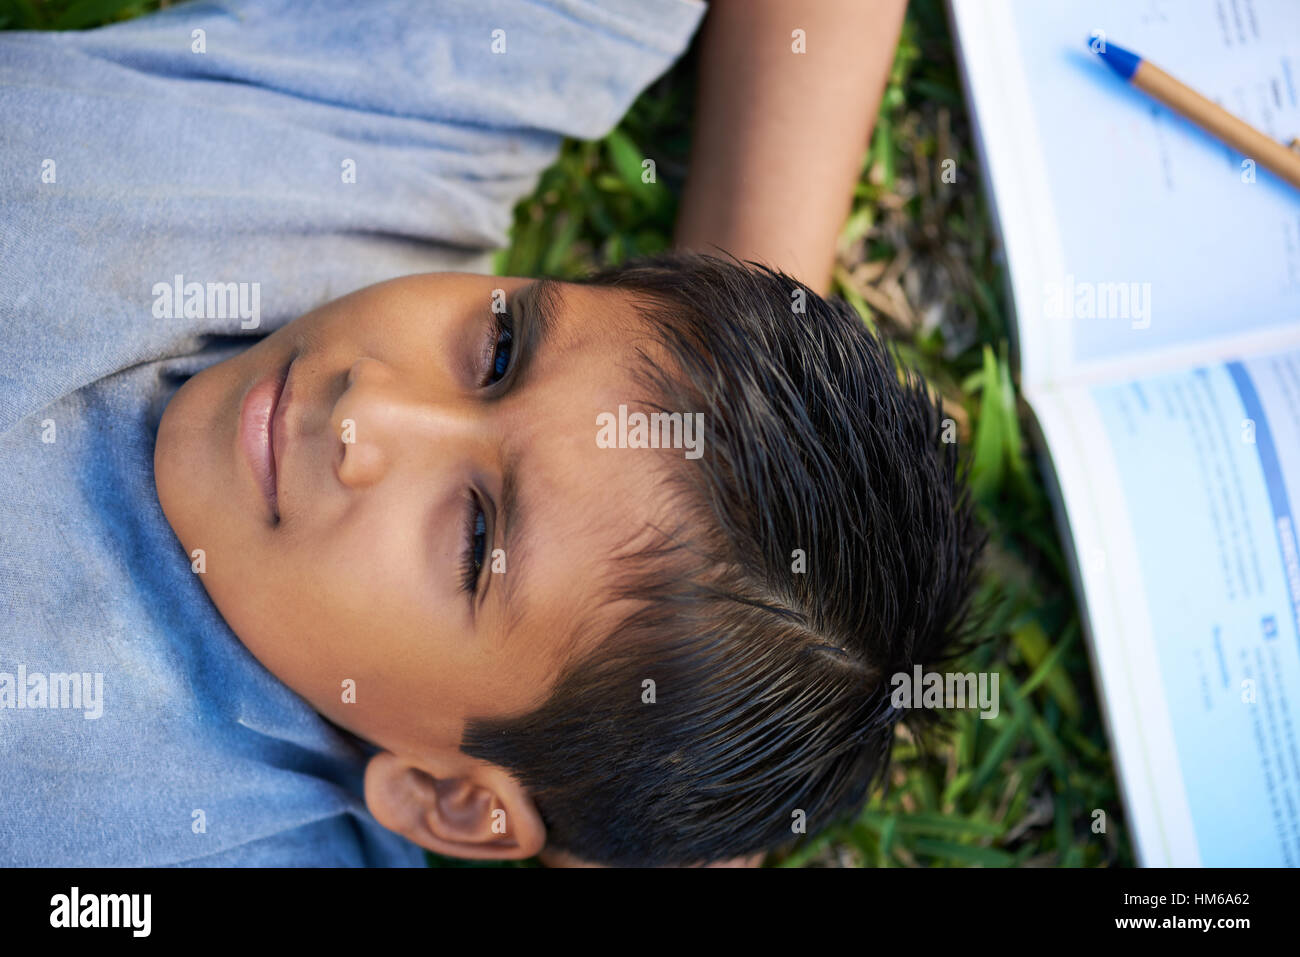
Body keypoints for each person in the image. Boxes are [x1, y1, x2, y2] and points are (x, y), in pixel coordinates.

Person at [1, 0, 978, 869]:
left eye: (474, 540)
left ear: (447, 799)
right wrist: (714, 360)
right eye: (500, 349)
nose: (367, 410)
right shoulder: (393, 150)